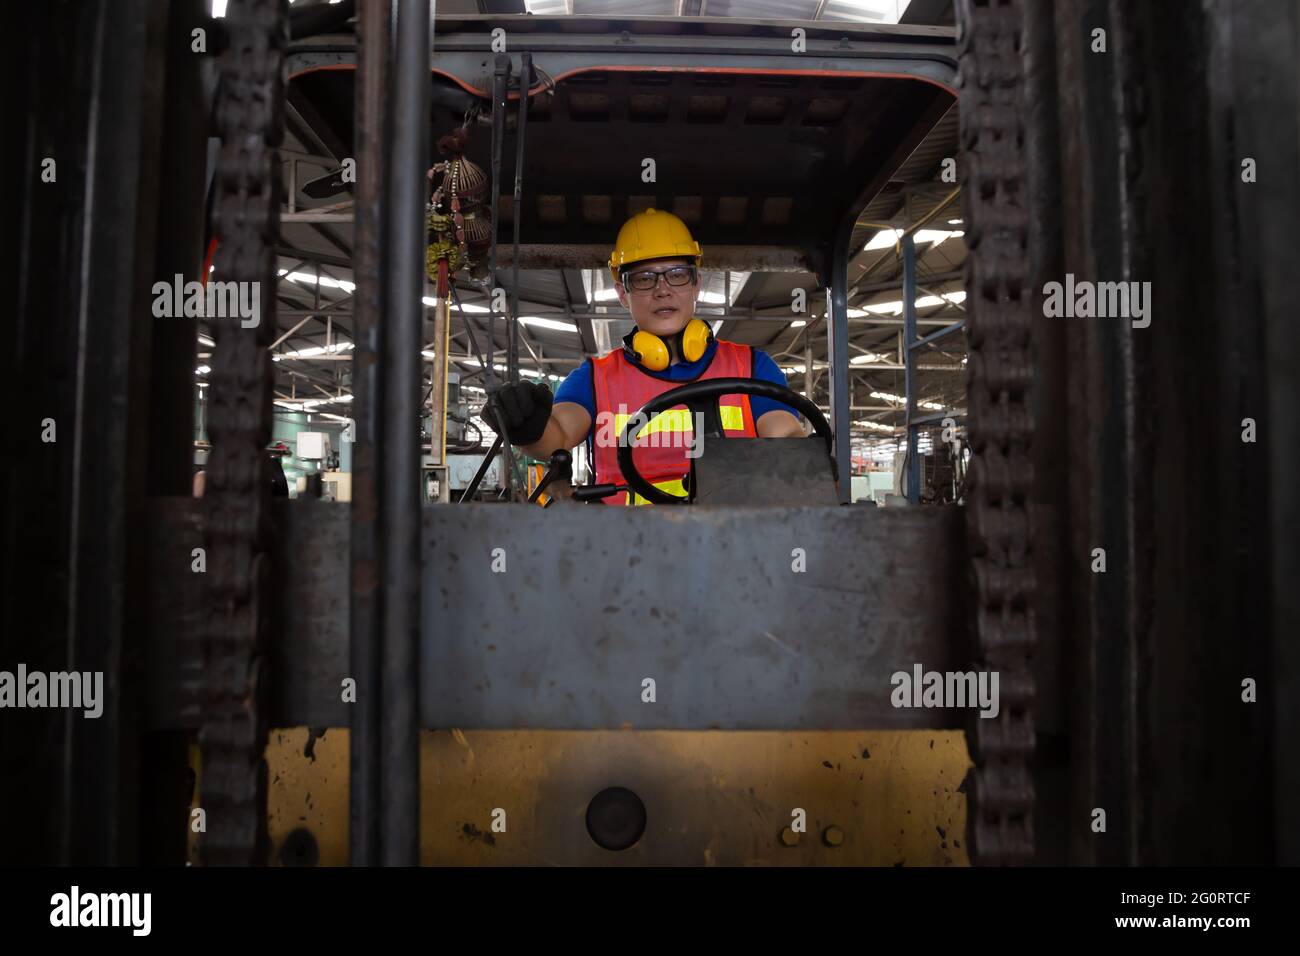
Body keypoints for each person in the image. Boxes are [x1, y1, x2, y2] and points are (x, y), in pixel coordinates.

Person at [482, 208, 804, 505]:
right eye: (644, 278)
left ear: (696, 284)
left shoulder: (751, 369)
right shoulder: (594, 379)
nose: (662, 290)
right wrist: (527, 425)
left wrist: (802, 459)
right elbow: (558, 436)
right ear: (623, 293)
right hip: (622, 556)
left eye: (676, 274)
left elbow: (787, 438)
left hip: (733, 552)